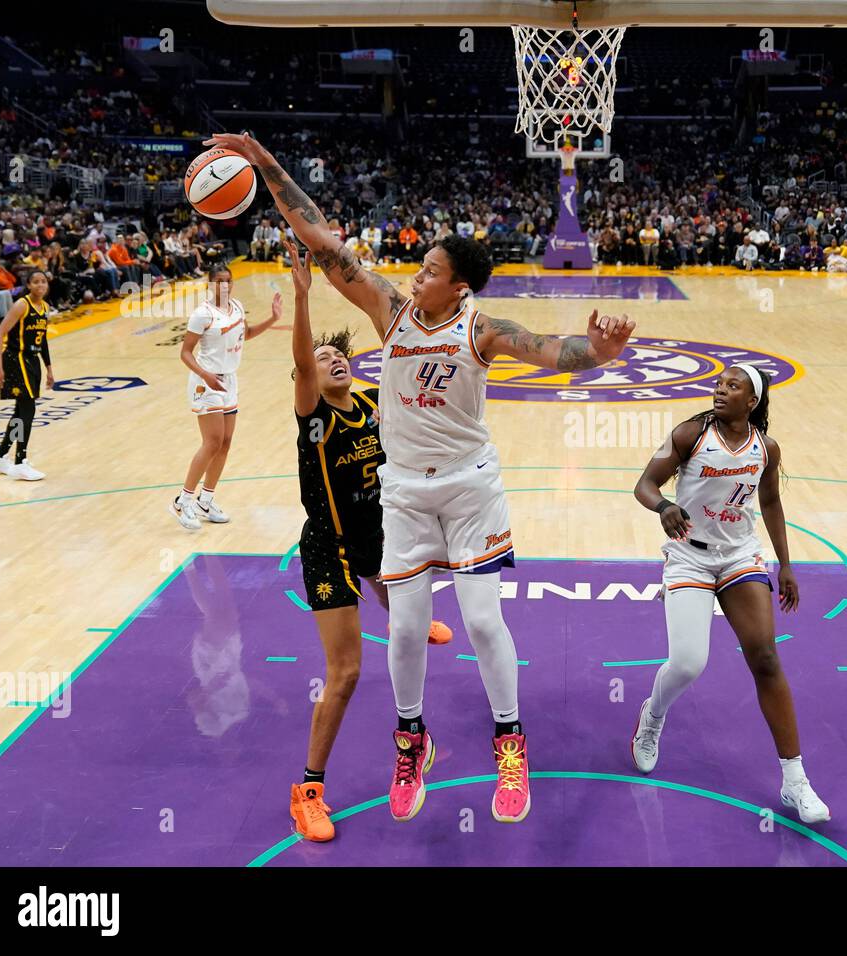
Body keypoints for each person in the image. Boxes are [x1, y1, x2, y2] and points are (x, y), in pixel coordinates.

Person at [207, 130, 635, 824]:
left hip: (469, 487)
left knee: (484, 622)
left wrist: (602, 350)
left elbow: (558, 350)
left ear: (457, 286)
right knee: (405, 631)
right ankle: (412, 740)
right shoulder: (390, 312)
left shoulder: (482, 330)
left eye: (430, 269)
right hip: (404, 493)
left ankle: (510, 741)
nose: (417, 274)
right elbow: (322, 241)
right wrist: (263, 162)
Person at [282, 239, 450, 842]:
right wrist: (304, 299)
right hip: (328, 545)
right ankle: (308, 791)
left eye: (338, 354)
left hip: (377, 536)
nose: (332, 361)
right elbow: (302, 364)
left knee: (404, 621)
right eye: (323, 358)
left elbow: (414, 374)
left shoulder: (378, 404)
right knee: (347, 673)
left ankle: (415, 725)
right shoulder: (315, 416)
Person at [629, 365, 830, 823]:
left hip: (740, 555)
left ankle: (795, 780)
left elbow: (772, 502)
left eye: (732, 386)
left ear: (752, 402)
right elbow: (644, 483)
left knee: (765, 657)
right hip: (689, 556)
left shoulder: (766, 449)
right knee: (688, 663)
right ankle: (653, 716)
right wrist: (664, 506)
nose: (720, 390)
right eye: (719, 384)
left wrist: (786, 564)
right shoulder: (689, 435)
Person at [171, 264, 281, 530]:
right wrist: (205, 375)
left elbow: (247, 334)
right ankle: (182, 501)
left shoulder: (237, 307)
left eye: (228, 281)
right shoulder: (202, 314)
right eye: (219, 281)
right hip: (205, 381)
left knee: (226, 443)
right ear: (210, 283)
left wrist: (272, 319)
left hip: (229, 379)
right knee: (212, 441)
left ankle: (205, 501)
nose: (224, 285)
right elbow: (185, 352)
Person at [0, 271, 54, 480]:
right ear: (28, 285)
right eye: (36, 282)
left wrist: (49, 369)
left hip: (32, 361)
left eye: (43, 281)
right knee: (28, 409)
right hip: (16, 360)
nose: (40, 285)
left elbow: (42, 341)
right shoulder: (21, 305)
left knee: (19, 412)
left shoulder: (45, 307)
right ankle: (19, 461)